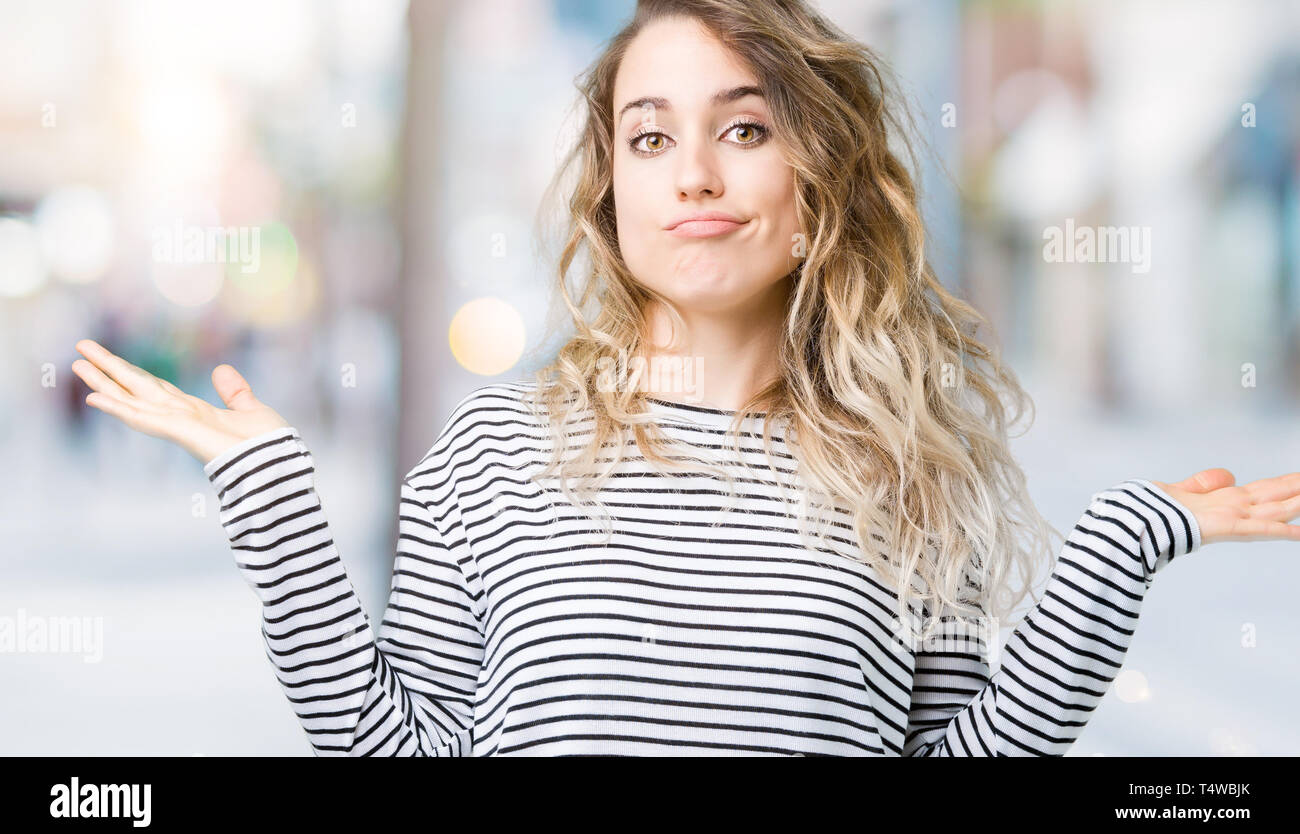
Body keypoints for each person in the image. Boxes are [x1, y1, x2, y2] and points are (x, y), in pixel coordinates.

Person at [71, 0, 1300, 756]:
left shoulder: (906, 483)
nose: (694, 172)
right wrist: (275, 501)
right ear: (615, 199)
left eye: (746, 127)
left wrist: (1119, 547)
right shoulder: (492, 458)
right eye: (649, 136)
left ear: (815, 195)